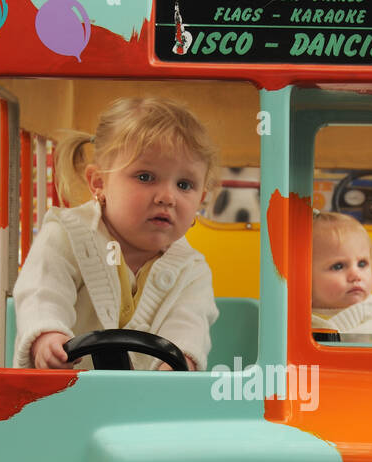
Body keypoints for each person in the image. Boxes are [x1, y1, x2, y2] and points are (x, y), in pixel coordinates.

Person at [13, 97, 219, 371]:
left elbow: (190, 324)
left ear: (201, 198)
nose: (168, 197)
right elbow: (42, 292)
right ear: (99, 183)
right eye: (145, 177)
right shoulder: (65, 236)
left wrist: (182, 360)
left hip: (146, 406)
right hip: (64, 396)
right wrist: (47, 335)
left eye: (184, 184)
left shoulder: (193, 270)